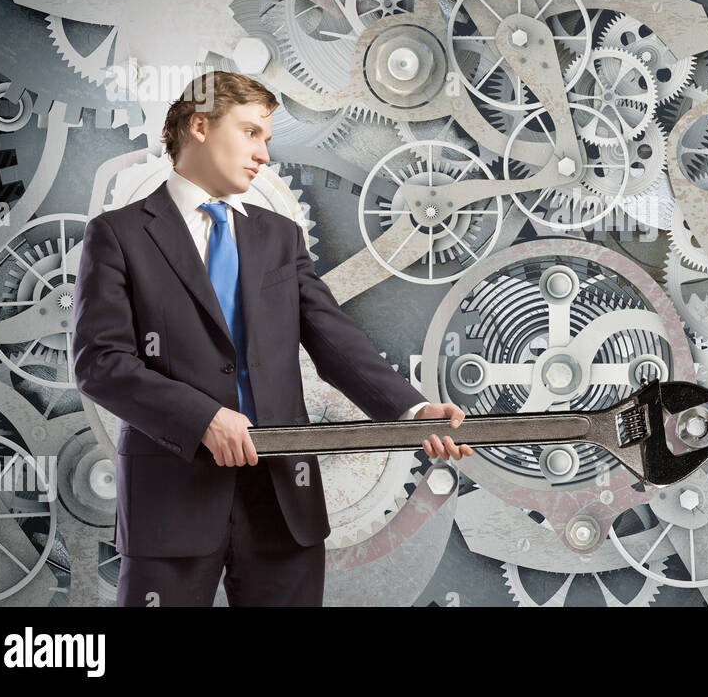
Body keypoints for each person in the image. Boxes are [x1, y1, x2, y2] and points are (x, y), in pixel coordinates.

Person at [70, 70, 473, 606]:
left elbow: (332, 337)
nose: (263, 154)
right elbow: (100, 363)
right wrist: (203, 418)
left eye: (268, 138)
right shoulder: (118, 235)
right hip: (172, 494)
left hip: (284, 497)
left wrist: (410, 411)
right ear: (199, 126)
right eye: (251, 133)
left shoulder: (278, 235)